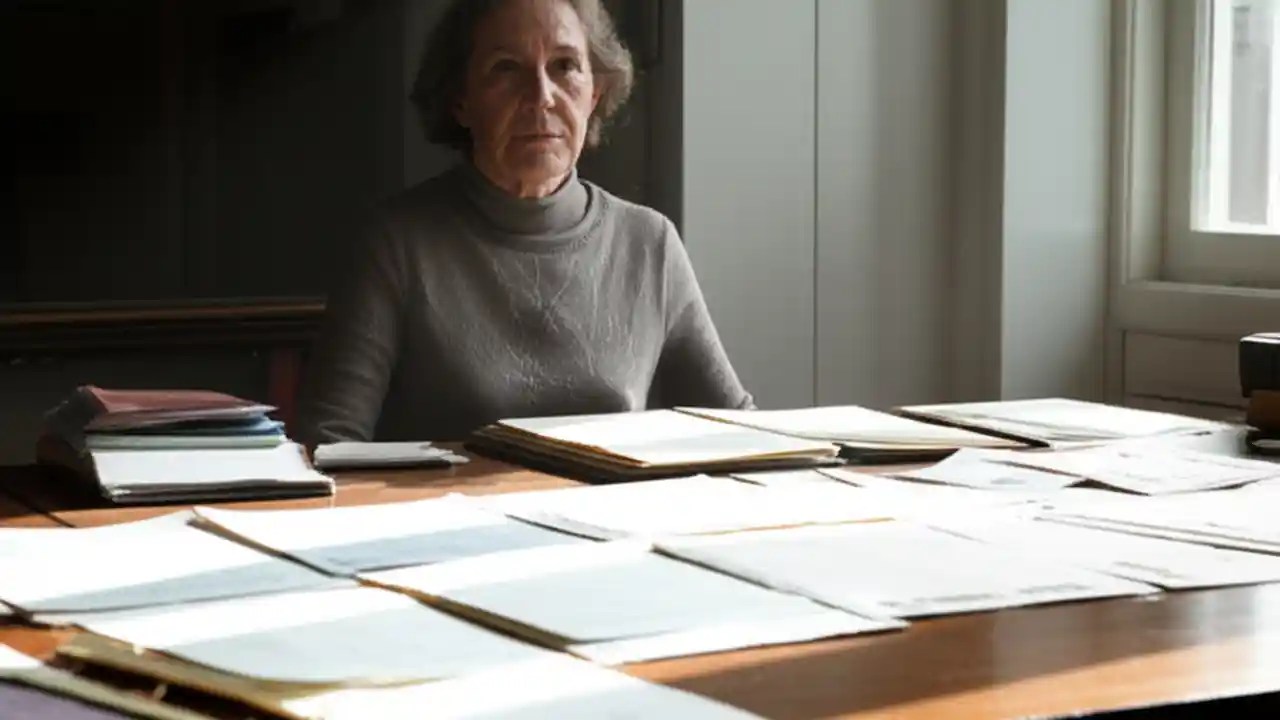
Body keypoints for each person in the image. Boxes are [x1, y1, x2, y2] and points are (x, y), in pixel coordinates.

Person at [299, 0, 752, 444]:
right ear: (461, 99)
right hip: (446, 515)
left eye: (564, 66)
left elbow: (741, 431)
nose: (541, 96)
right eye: (506, 69)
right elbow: (330, 444)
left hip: (612, 515)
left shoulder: (650, 243)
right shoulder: (395, 245)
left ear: (594, 93)